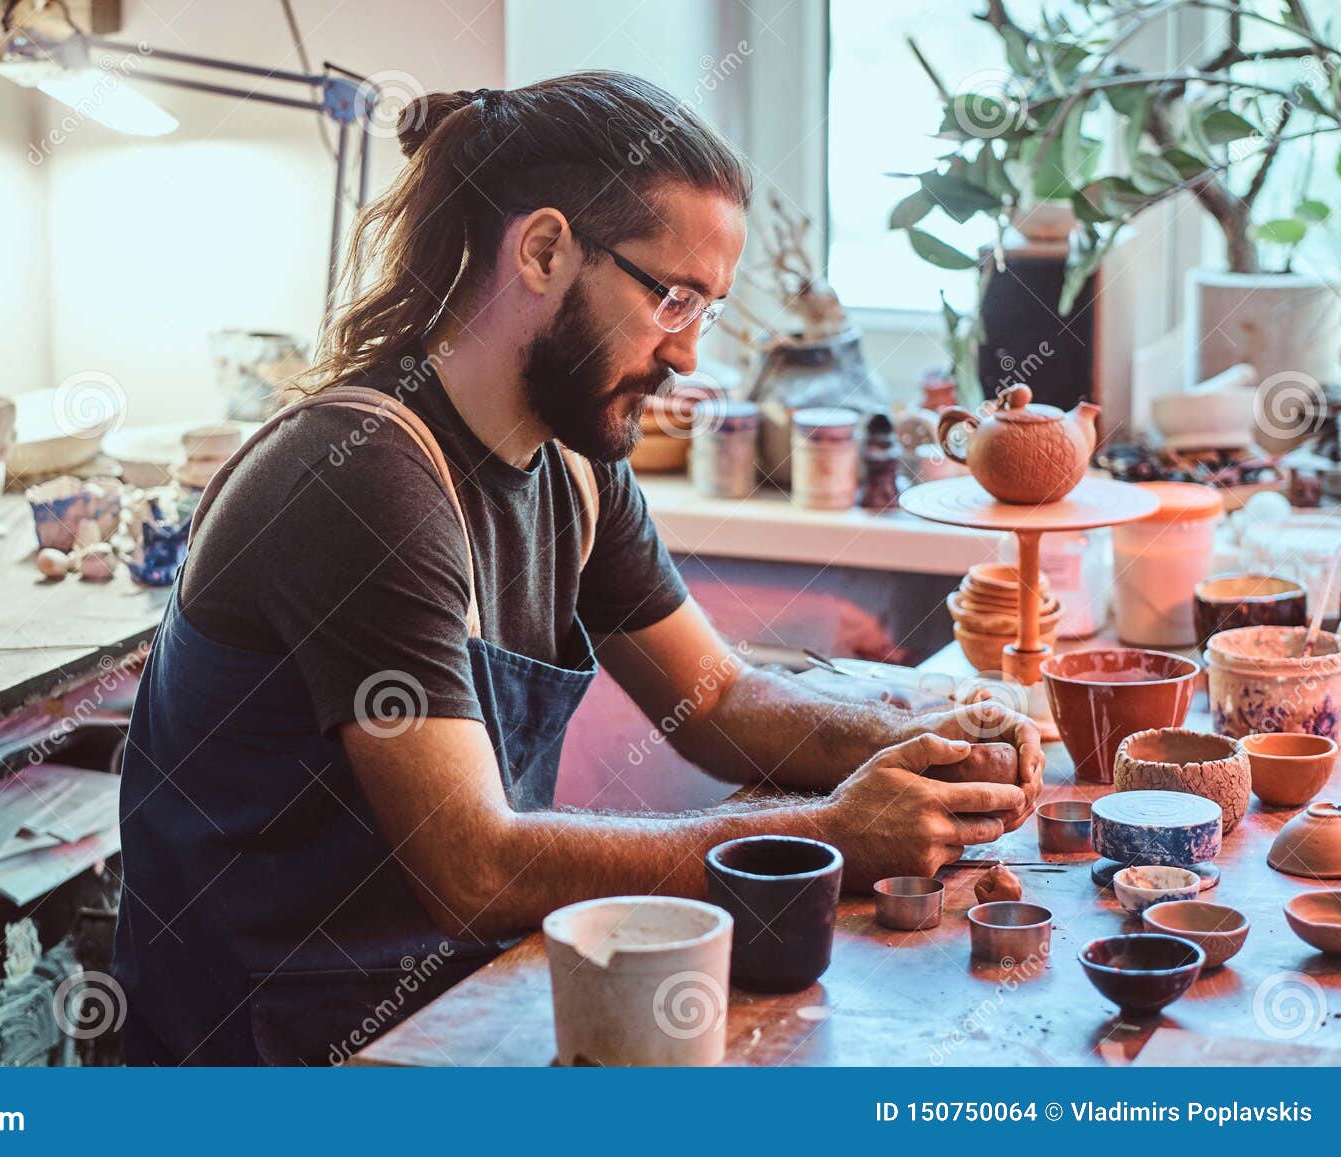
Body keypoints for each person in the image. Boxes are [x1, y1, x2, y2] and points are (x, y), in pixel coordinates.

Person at [114, 71, 1042, 1066]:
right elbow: (473, 863)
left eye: (707, 311)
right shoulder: (360, 479)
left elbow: (720, 701)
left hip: (456, 999)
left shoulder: (575, 465)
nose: (687, 354)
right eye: (673, 298)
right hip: (274, 1050)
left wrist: (925, 732)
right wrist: (830, 831)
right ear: (546, 249)